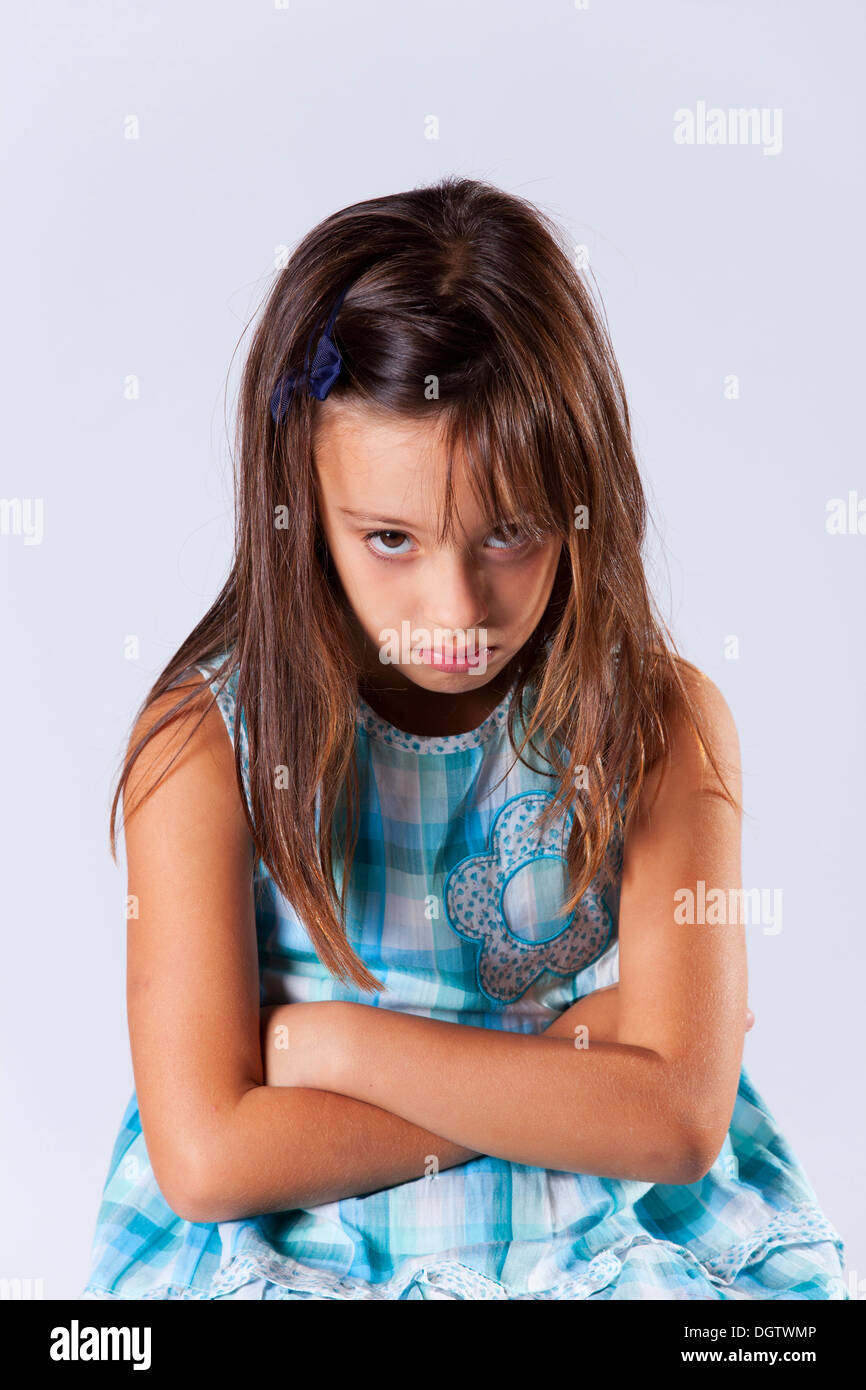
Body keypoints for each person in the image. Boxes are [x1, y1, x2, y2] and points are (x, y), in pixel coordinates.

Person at [82, 175, 846, 1300]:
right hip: (311, 1235)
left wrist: (328, 1049)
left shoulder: (659, 728)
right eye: (390, 537)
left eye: (510, 533)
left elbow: (677, 1123)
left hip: (605, 1232)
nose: (456, 609)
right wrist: (571, 1077)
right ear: (301, 502)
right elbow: (207, 1159)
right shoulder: (204, 743)